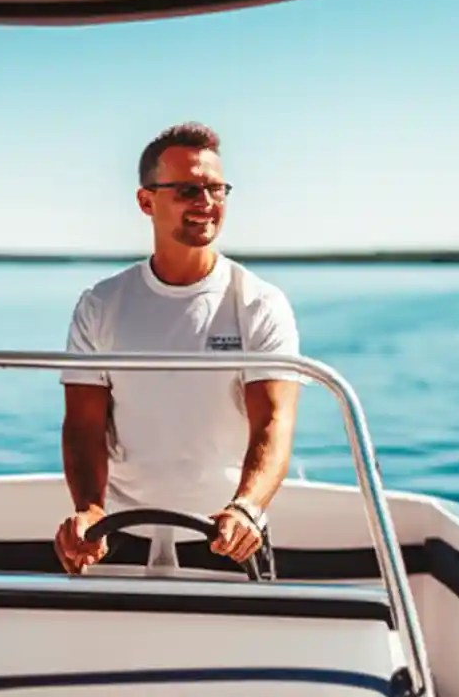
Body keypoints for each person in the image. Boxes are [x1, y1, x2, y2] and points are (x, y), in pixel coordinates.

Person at [54, 121, 304, 576]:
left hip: (229, 537)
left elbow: (274, 421)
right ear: (146, 201)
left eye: (216, 189)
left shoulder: (258, 303)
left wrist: (246, 508)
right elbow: (83, 425)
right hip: (115, 535)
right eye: (188, 190)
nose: (206, 204)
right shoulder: (101, 304)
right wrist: (89, 509)